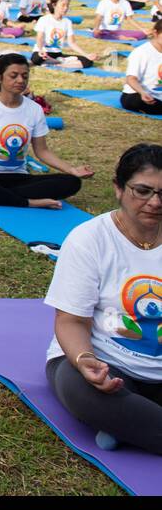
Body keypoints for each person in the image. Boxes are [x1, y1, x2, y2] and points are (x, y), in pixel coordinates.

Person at [44, 143, 162, 453]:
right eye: (143, 191)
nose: (155, 202)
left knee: (136, 412)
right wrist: (85, 361)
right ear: (119, 189)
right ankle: (129, 420)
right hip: (103, 363)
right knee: (85, 392)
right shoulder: (89, 239)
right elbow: (70, 321)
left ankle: (129, 426)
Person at [0, 53, 92, 209]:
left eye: (25, 76)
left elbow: (42, 151)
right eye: (13, 75)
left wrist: (72, 170)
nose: (20, 80)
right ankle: (29, 202)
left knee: (72, 182)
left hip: (19, 177)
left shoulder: (35, 109)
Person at [30, 0, 96, 70]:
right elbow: (39, 38)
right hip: (42, 53)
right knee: (37, 59)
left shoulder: (67, 22)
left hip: (58, 55)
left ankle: (60, 64)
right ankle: (59, 62)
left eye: (67, 5)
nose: (65, 8)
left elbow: (72, 43)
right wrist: (41, 50)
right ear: (54, 5)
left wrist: (86, 55)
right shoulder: (44, 19)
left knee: (88, 61)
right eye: (63, 5)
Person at [121, 20, 162, 116]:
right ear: (155, 33)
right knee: (135, 101)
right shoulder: (142, 52)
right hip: (138, 94)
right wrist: (142, 93)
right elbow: (131, 78)